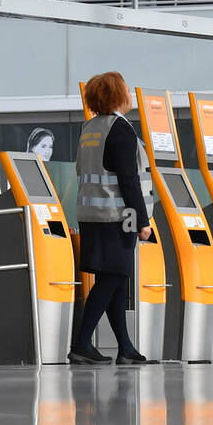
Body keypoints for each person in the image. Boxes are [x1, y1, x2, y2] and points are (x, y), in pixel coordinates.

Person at [71, 71, 152, 364]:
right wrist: (142, 221)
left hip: (91, 213)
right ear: (118, 95)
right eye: (126, 90)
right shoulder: (120, 129)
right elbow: (128, 180)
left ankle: (125, 348)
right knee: (113, 277)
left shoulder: (89, 128)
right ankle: (81, 343)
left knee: (115, 278)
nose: (130, 95)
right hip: (117, 215)